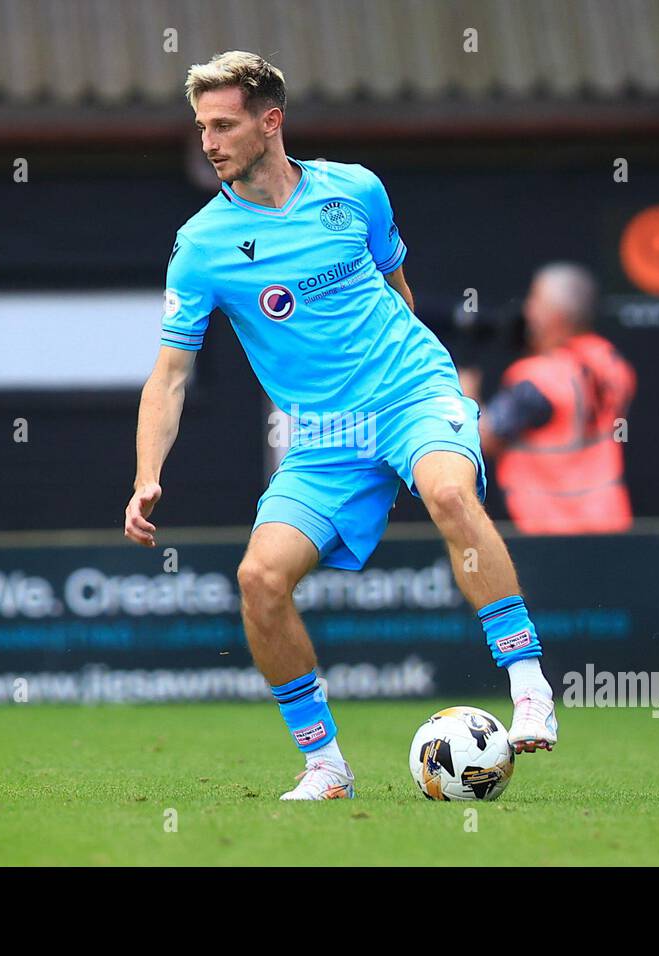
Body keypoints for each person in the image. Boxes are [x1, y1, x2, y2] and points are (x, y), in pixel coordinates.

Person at [124, 52, 557, 800]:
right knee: (260, 580)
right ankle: (325, 764)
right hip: (327, 439)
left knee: (450, 496)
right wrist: (147, 476)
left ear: (271, 122)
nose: (210, 141)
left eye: (224, 124)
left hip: (412, 391)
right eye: (201, 127)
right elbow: (169, 374)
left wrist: (413, 378)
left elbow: (399, 289)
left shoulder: (356, 189)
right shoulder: (201, 245)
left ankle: (527, 684)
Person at [480, 264, 636, 534]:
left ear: (557, 315)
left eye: (535, 301)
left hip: (551, 531)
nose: (527, 310)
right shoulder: (611, 363)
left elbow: (481, 438)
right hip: (611, 523)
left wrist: (464, 392)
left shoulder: (538, 379)